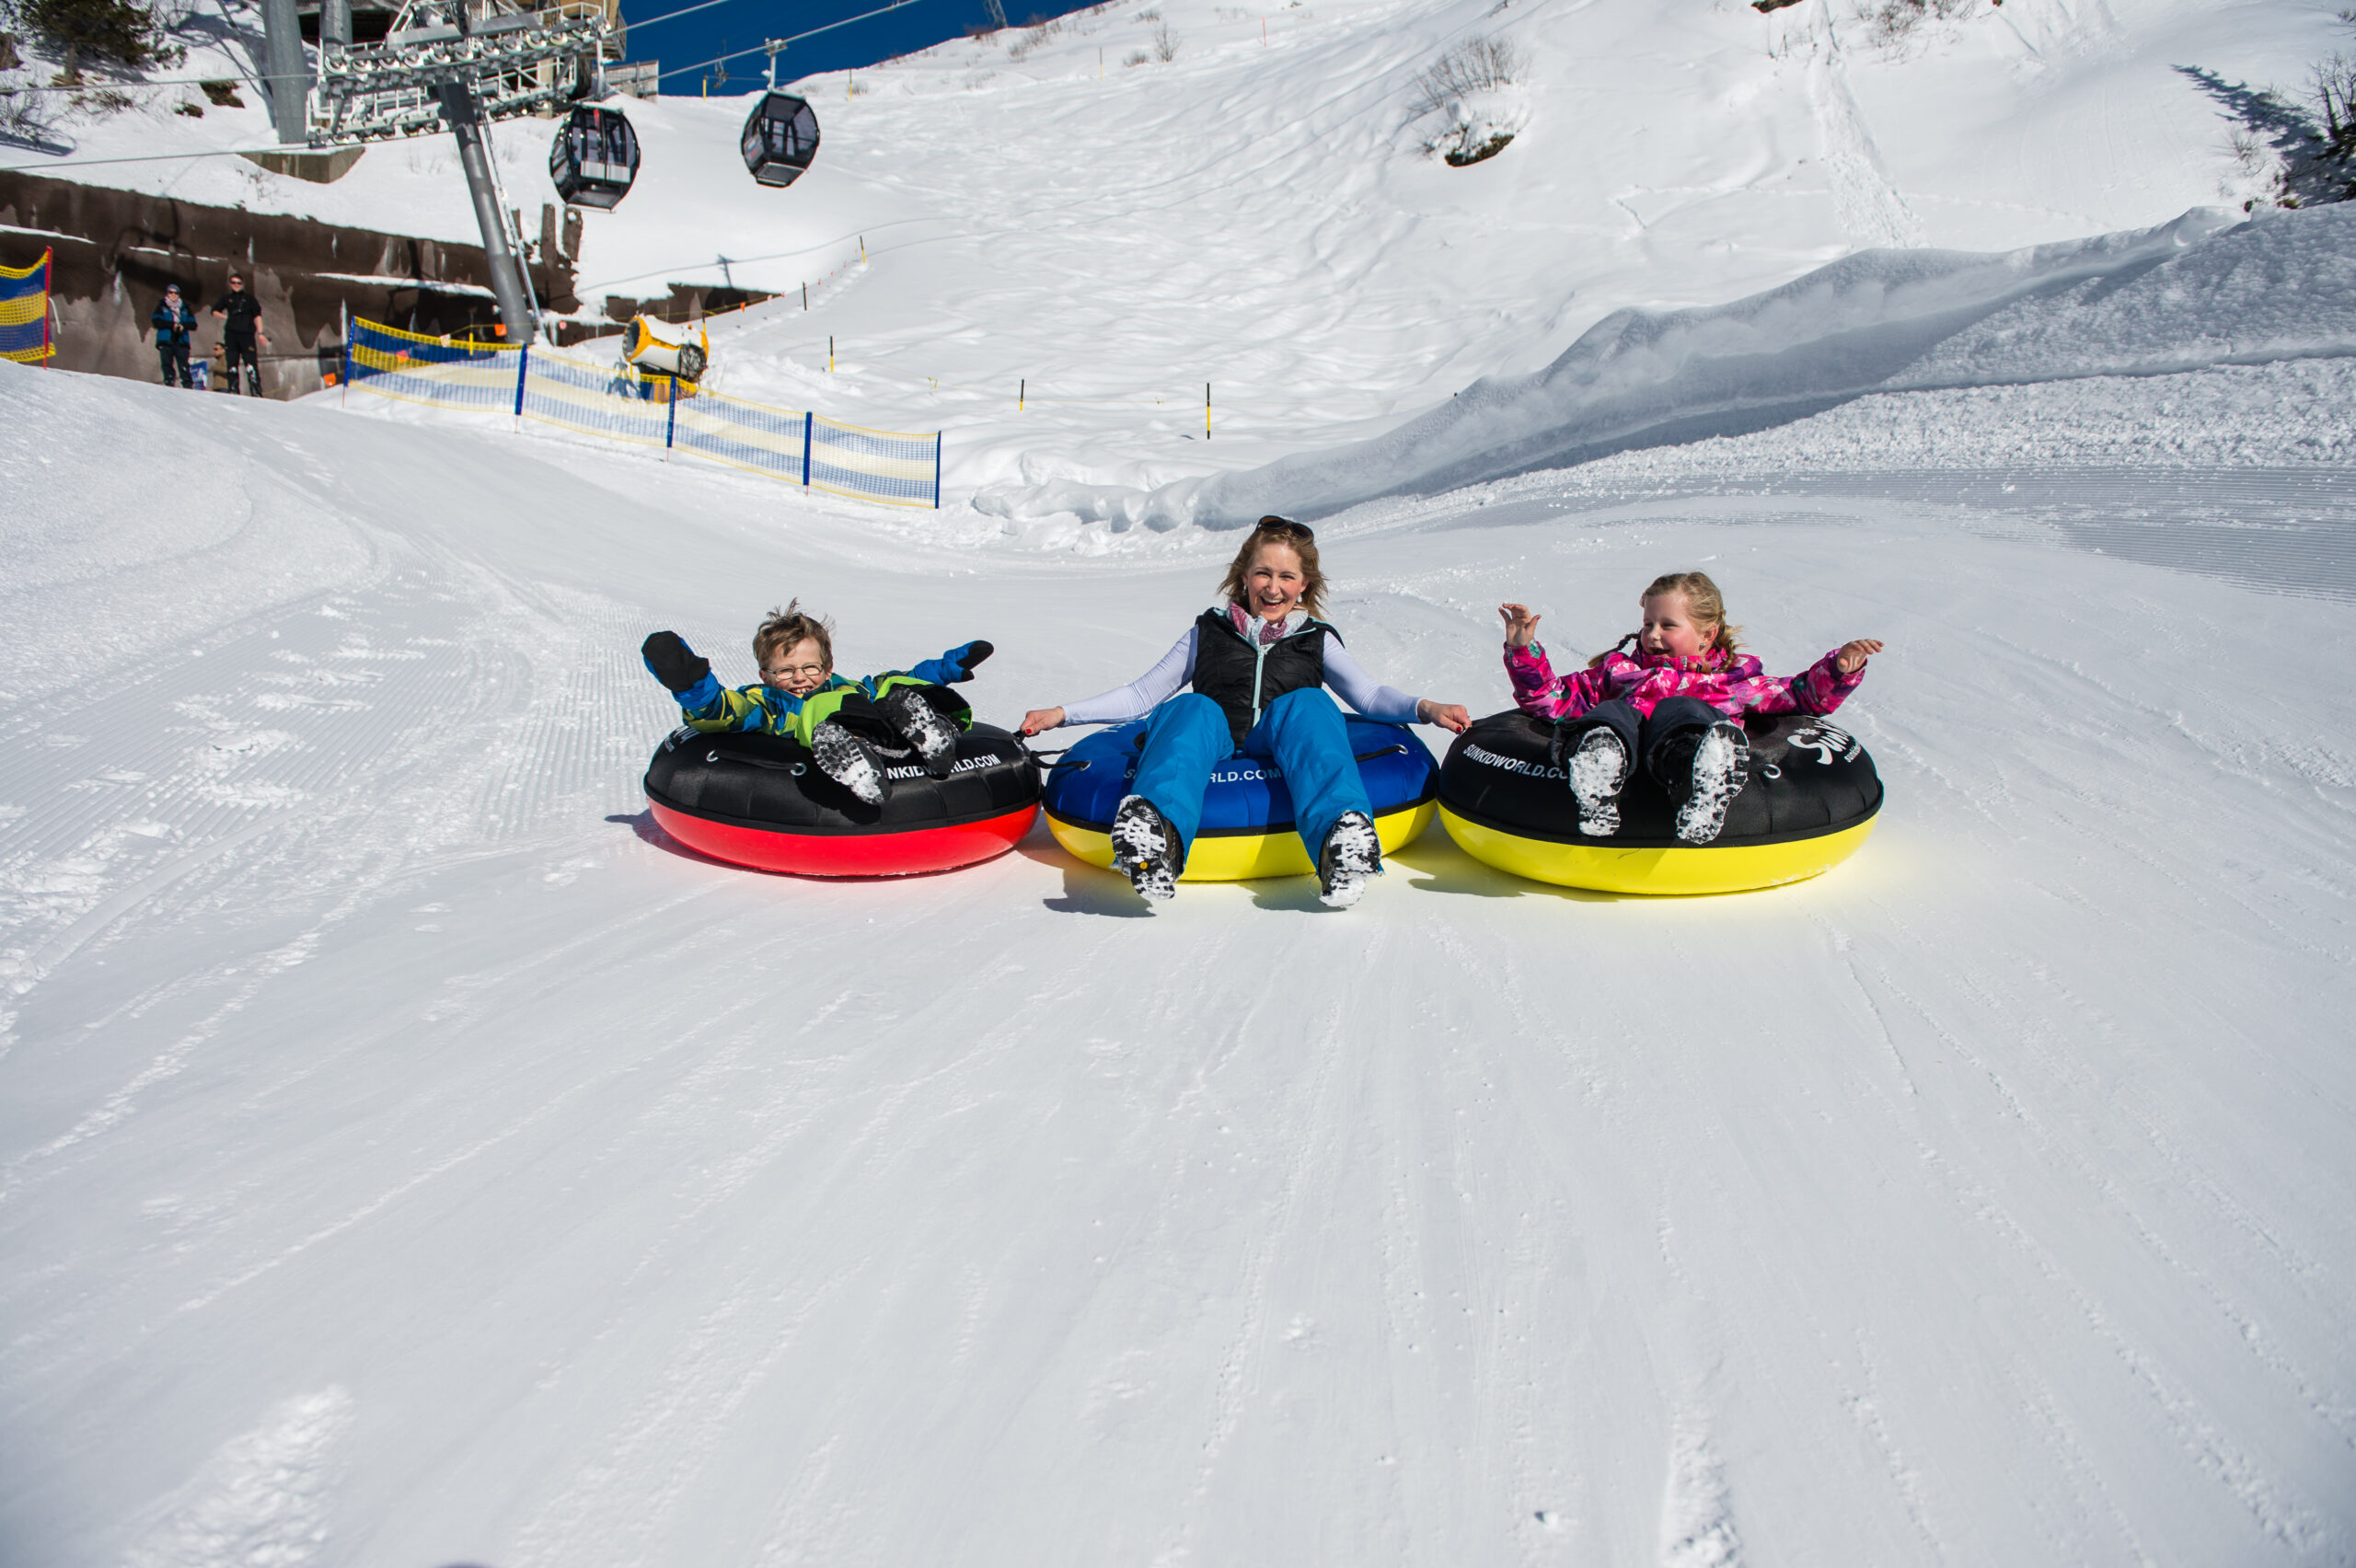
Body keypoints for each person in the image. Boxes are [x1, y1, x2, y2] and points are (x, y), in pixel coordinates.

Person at [1022, 516, 1471, 908]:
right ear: (1244, 577)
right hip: (1213, 740)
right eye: (1262, 573)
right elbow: (1142, 695)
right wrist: (1062, 714)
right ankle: (1153, 843)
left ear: (1303, 585)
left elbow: (1368, 696)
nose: (1273, 587)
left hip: (1280, 742)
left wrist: (1426, 708)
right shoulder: (1208, 632)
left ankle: (1344, 844)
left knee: (1311, 702)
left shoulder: (1317, 638)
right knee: (1191, 706)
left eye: (1286, 576)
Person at [1498, 571, 1882, 844]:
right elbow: (1549, 701)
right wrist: (1522, 651)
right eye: (1648, 623)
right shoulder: (1618, 673)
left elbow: (1802, 697)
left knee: (1683, 711)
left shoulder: (1734, 683)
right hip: (1628, 749)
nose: (1652, 635)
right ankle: (1600, 766)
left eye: (1668, 625)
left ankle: (1702, 780)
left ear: (1707, 633)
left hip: (1680, 749)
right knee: (1613, 715)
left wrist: (1839, 669)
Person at [641, 602, 993, 807]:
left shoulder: (844, 685)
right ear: (765, 675)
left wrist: (947, 669)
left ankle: (931, 726)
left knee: (888, 685)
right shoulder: (768, 703)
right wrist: (693, 687)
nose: (799, 678)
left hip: (882, 724)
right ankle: (848, 753)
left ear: (828, 667)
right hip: (836, 735)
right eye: (785, 671)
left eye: (810, 668)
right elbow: (726, 712)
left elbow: (901, 675)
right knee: (819, 707)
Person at [210, 272, 268, 396]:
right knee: (232, 364)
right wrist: (226, 317)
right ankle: (234, 389)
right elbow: (214, 311)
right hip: (231, 335)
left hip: (247, 335)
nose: (236, 285)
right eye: (233, 283)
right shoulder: (227, 298)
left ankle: (256, 391)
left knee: (251, 365)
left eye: (238, 283)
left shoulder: (250, 299)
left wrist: (261, 333)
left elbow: (257, 316)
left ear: (243, 284)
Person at [150, 284, 197, 387]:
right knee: (167, 363)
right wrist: (172, 325)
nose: (173, 295)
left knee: (184, 364)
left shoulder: (185, 308)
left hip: (181, 340)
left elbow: (193, 324)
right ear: (167, 294)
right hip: (166, 339)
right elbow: (156, 321)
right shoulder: (162, 306)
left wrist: (183, 326)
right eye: (171, 292)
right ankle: (169, 382)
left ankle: (187, 385)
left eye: (176, 293)